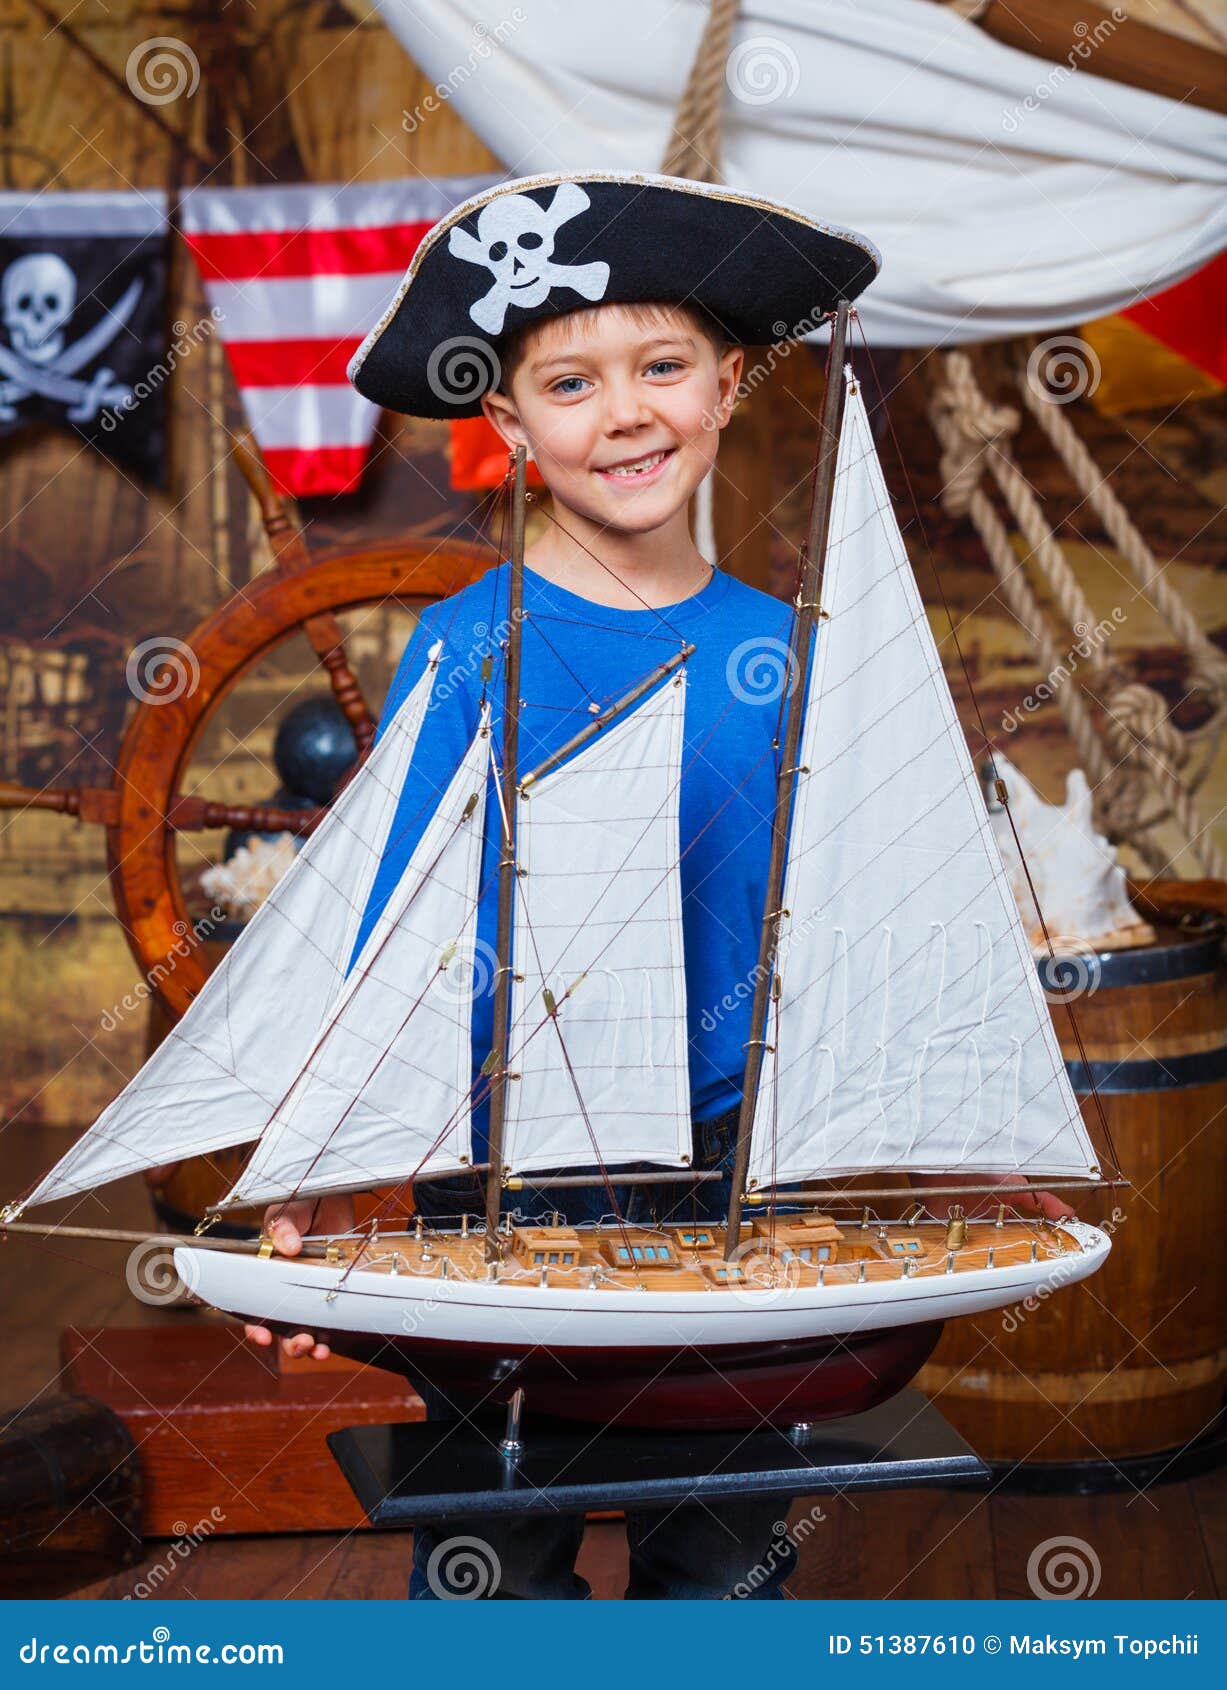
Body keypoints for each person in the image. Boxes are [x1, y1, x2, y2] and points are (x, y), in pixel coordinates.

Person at [241, 173, 1067, 1599]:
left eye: (663, 367)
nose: (624, 414)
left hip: (730, 1154)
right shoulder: (468, 650)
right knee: (493, 1553)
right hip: (494, 1164)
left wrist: (979, 1136)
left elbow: (873, 914)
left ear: (730, 385)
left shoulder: (791, 657)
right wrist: (316, 1175)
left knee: (728, 1547)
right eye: (571, 383)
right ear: (509, 424)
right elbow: (382, 926)